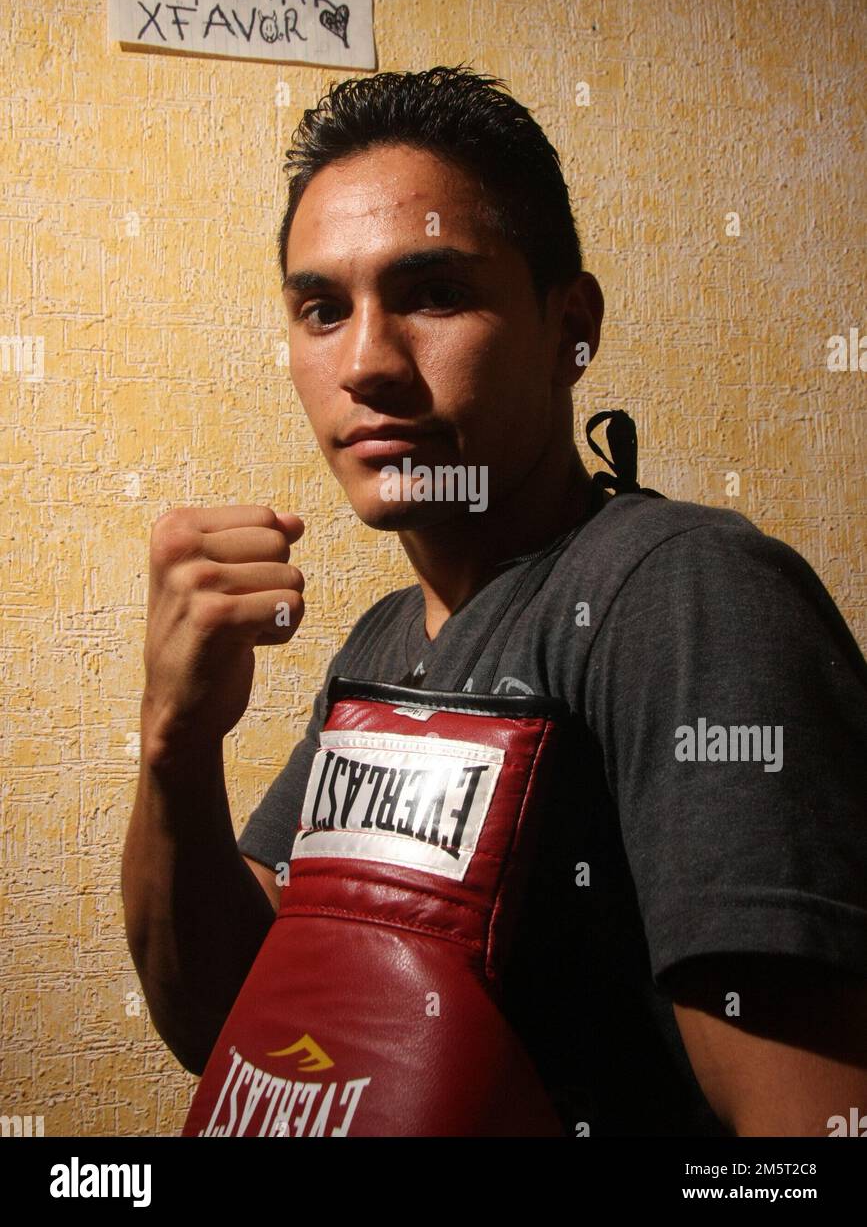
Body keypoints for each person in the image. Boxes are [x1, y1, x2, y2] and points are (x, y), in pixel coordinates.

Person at [122, 65, 867, 1137]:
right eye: (322, 308)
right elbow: (225, 1018)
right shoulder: (390, 636)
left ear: (572, 324)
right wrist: (175, 739)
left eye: (431, 292)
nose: (368, 362)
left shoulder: (686, 595)